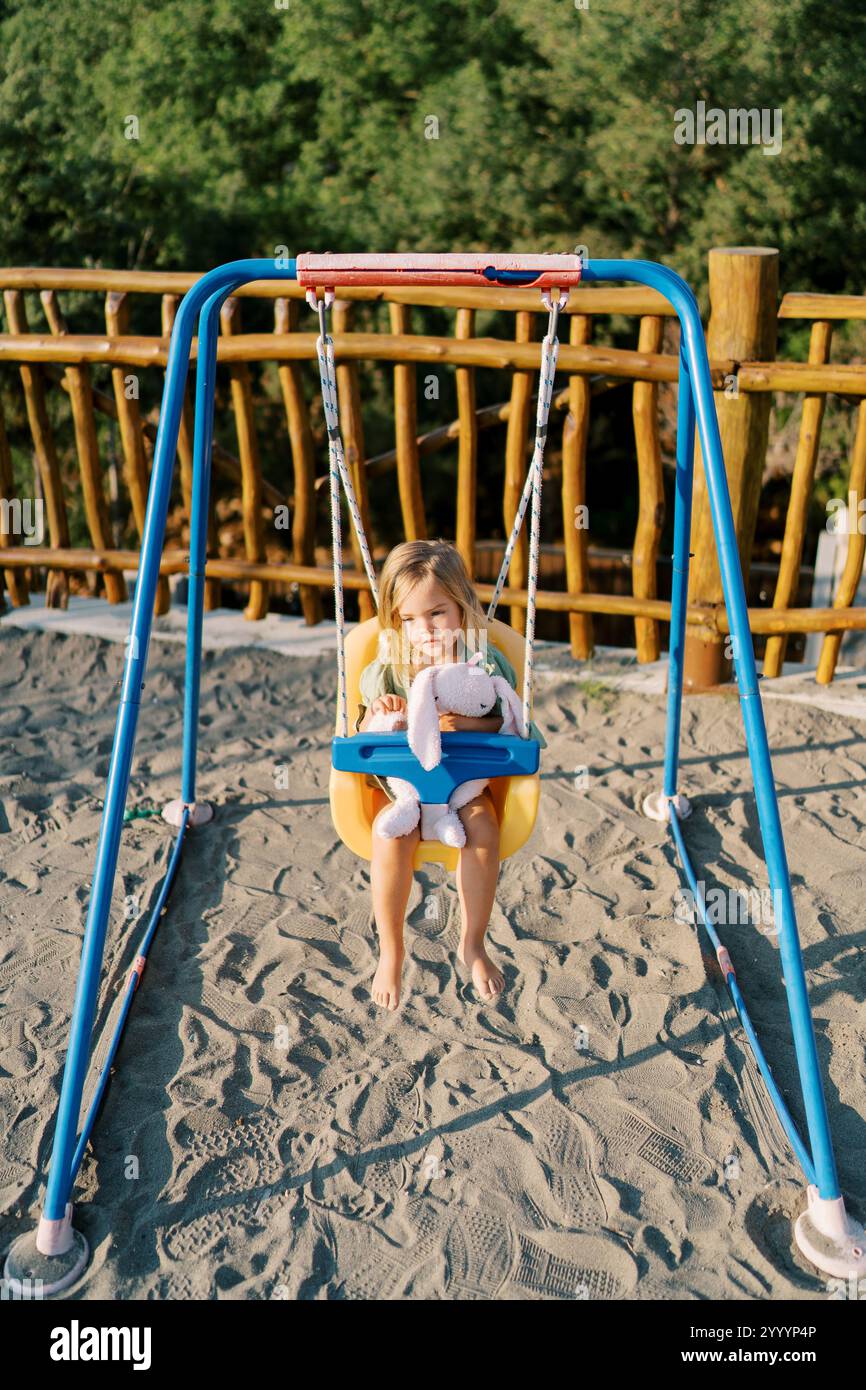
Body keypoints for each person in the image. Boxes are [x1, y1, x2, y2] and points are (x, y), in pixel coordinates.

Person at [354, 539, 546, 1012]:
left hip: (467, 786)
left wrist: (470, 725)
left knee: (484, 830)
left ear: (461, 605)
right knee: (388, 836)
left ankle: (474, 943)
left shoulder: (485, 665)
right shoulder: (389, 669)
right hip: (406, 792)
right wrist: (381, 713)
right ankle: (391, 952)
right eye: (409, 618)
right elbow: (360, 730)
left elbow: (517, 724)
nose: (425, 630)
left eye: (437, 613)